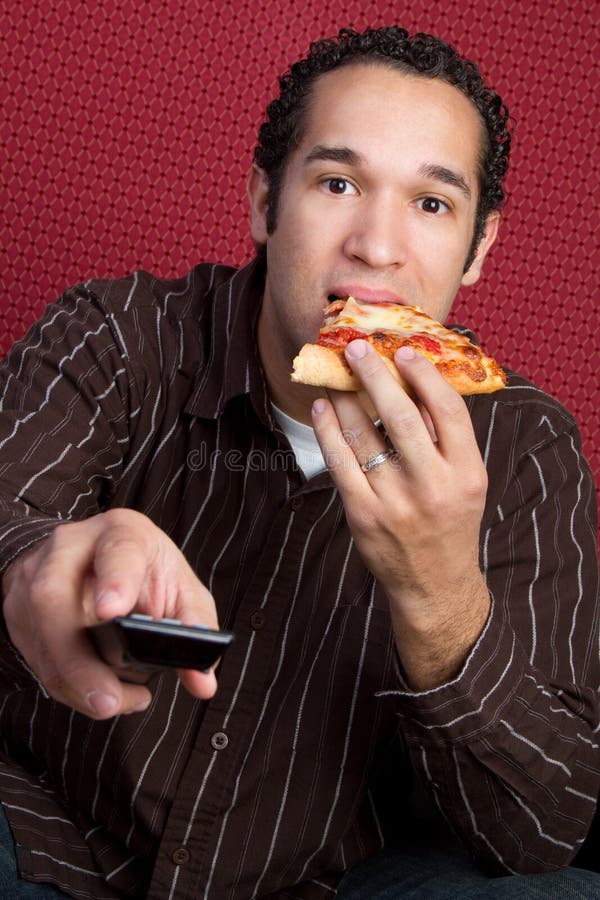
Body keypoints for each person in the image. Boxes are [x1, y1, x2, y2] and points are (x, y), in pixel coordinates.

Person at [0, 24, 598, 900]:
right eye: (339, 182)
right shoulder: (121, 334)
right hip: (56, 846)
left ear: (479, 249)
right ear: (262, 202)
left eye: (432, 204)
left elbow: (547, 827)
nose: (378, 248)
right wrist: (46, 562)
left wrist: (441, 602)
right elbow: (11, 513)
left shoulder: (526, 448)